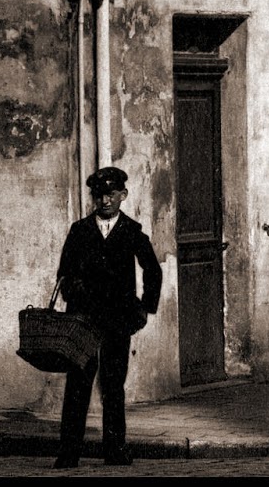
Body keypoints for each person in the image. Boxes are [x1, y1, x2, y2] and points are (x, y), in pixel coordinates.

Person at [53, 166, 162, 469]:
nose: (105, 201)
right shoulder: (80, 230)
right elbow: (65, 272)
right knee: (78, 384)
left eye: (111, 194)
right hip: (84, 320)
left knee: (113, 385)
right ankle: (68, 452)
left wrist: (144, 308)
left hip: (117, 319)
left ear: (122, 195)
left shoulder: (132, 230)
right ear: (94, 197)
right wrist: (76, 292)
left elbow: (153, 269)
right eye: (99, 195)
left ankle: (115, 450)